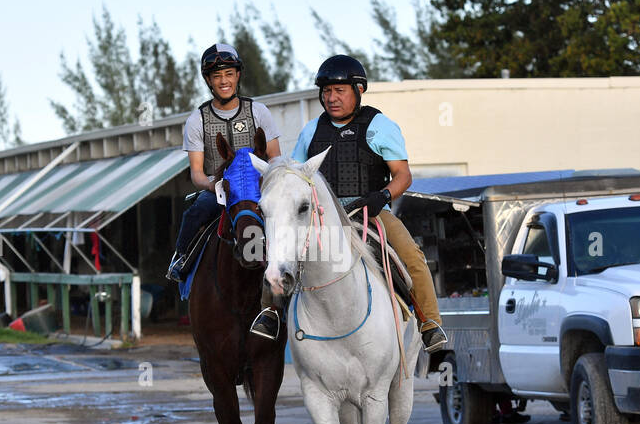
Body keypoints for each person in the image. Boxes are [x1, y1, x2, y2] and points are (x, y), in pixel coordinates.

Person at [283, 54, 449, 353]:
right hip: (322, 217)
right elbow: (297, 176)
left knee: (412, 257)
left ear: (358, 91)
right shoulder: (310, 131)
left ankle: (430, 326)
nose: (331, 98)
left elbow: (403, 175)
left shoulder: (379, 125)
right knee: (278, 251)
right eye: (326, 91)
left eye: (339, 91)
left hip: (370, 213)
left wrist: (382, 196)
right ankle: (269, 315)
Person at [165, 42, 285, 338]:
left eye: (229, 74)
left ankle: (291, 271)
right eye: (217, 76)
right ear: (208, 80)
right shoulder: (197, 120)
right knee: (198, 210)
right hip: (221, 188)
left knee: (285, 220)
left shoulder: (259, 111)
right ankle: (181, 258)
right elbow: (196, 172)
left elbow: (275, 157)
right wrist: (213, 183)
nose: (223, 81)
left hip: (257, 188)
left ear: (237, 75)